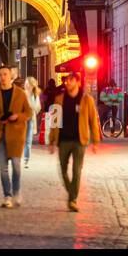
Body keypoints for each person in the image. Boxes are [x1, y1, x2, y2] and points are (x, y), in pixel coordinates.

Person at [48, 69, 100, 211]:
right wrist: (51, 141)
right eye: (66, 80)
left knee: (77, 171)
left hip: (79, 141)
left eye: (70, 80)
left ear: (77, 82)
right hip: (63, 140)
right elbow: (54, 121)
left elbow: (93, 121)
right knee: (63, 170)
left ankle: (73, 200)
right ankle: (72, 193)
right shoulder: (59, 99)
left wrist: (95, 141)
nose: (67, 82)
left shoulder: (86, 99)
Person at [0, 64, 32, 208]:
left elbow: (28, 113)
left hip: (16, 135)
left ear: (11, 76)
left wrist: (17, 116)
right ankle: (7, 195)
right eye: (0, 75)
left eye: (5, 74)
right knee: (3, 168)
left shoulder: (20, 93)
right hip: (1, 135)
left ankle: (16, 191)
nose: (2, 77)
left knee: (16, 166)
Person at [23, 76, 41, 166]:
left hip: (30, 119)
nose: (26, 85)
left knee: (28, 140)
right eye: (26, 83)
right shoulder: (22, 93)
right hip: (22, 119)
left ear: (32, 85)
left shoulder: (35, 95)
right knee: (21, 139)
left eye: (28, 83)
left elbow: (37, 108)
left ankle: (26, 159)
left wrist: (32, 108)